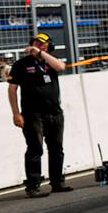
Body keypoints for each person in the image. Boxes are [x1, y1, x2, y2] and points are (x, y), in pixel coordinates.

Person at [7, 32, 72, 198]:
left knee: (56, 147)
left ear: (48, 46)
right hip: (32, 114)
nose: (39, 45)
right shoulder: (21, 64)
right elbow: (12, 89)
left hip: (54, 111)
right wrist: (16, 113)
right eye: (37, 42)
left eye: (43, 43)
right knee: (35, 148)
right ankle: (33, 185)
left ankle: (57, 182)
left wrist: (42, 54)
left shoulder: (51, 60)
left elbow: (61, 67)